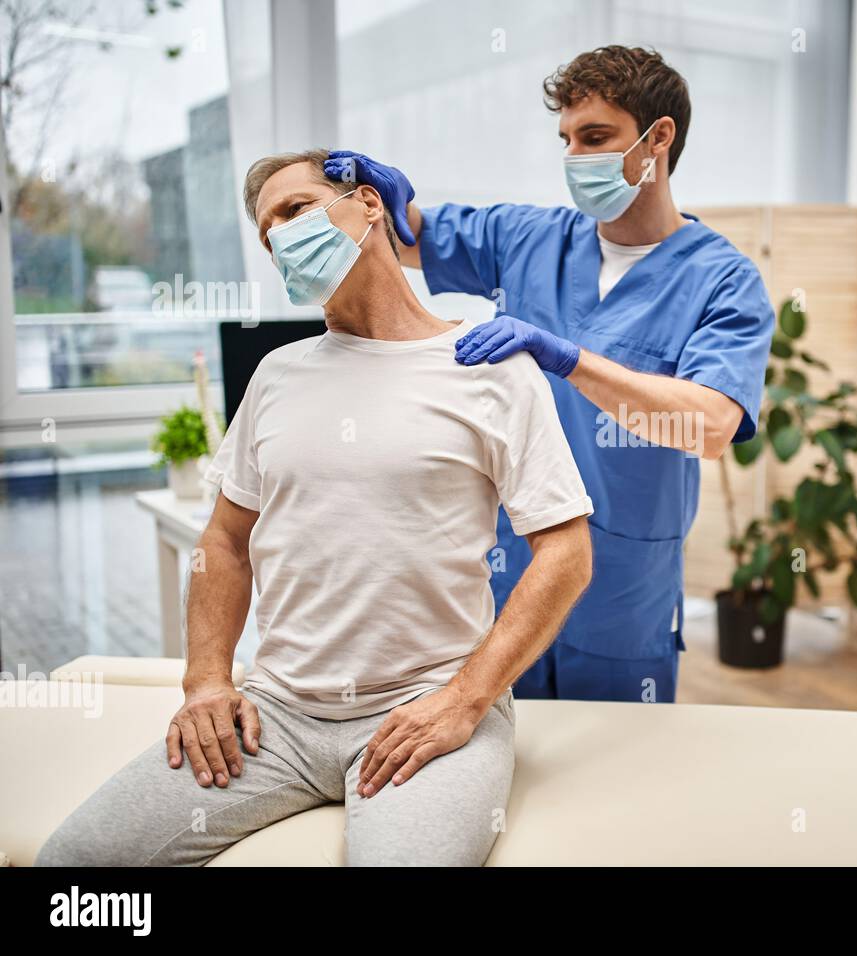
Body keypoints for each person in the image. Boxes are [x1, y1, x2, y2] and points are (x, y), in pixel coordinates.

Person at [35, 149, 593, 867]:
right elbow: (225, 542)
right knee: (70, 867)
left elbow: (567, 552)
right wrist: (206, 679)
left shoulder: (489, 369)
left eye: (295, 210)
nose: (280, 238)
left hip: (422, 706)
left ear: (367, 206)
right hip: (278, 716)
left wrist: (465, 699)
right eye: (268, 232)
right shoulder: (278, 375)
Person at [326, 46, 774, 703]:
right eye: (566, 139)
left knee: (612, 774)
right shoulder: (531, 238)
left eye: (595, 137)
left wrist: (570, 358)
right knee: (506, 756)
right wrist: (388, 202)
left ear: (658, 140)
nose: (575, 157)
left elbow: (709, 425)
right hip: (516, 565)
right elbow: (415, 237)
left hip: (623, 590)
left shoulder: (723, 280)